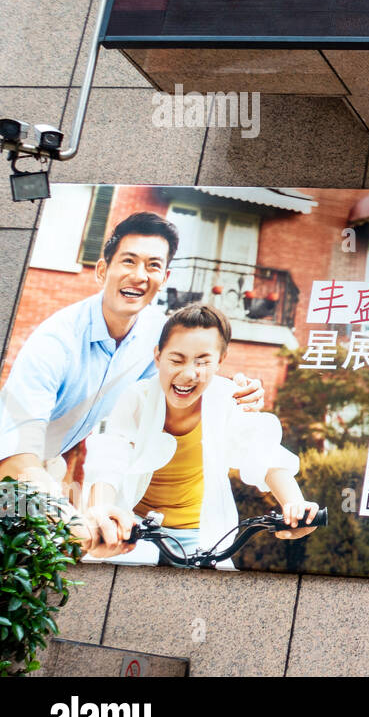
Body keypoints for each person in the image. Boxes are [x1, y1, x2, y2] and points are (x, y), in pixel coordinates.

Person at [0, 212, 263, 556]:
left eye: (153, 265)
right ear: (101, 270)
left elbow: (184, 381)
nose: (139, 276)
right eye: (128, 261)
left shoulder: (156, 336)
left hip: (50, 470)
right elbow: (14, 458)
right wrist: (74, 520)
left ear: (165, 277)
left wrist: (240, 391)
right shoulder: (55, 341)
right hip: (17, 476)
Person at [80, 303, 315, 567]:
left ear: (220, 361)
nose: (189, 374)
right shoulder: (138, 397)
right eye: (176, 360)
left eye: (202, 361)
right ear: (157, 356)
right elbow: (110, 457)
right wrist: (100, 510)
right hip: (134, 527)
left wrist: (294, 504)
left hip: (200, 534)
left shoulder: (228, 400)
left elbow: (262, 452)